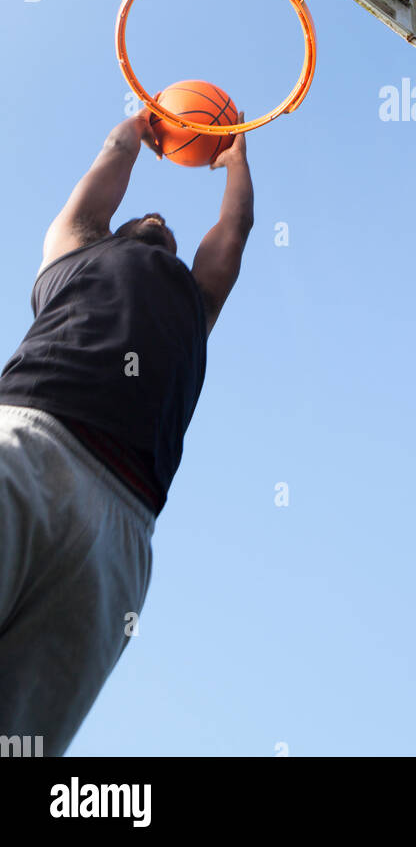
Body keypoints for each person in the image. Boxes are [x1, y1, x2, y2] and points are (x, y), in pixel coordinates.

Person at [0, 109, 253, 755]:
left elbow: (235, 228)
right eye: (149, 217)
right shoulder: (76, 247)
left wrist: (235, 158)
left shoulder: (198, 302)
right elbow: (111, 157)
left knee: (21, 738)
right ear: (119, 229)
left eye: (166, 224)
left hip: (122, 526)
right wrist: (144, 122)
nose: (160, 219)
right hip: (34, 439)